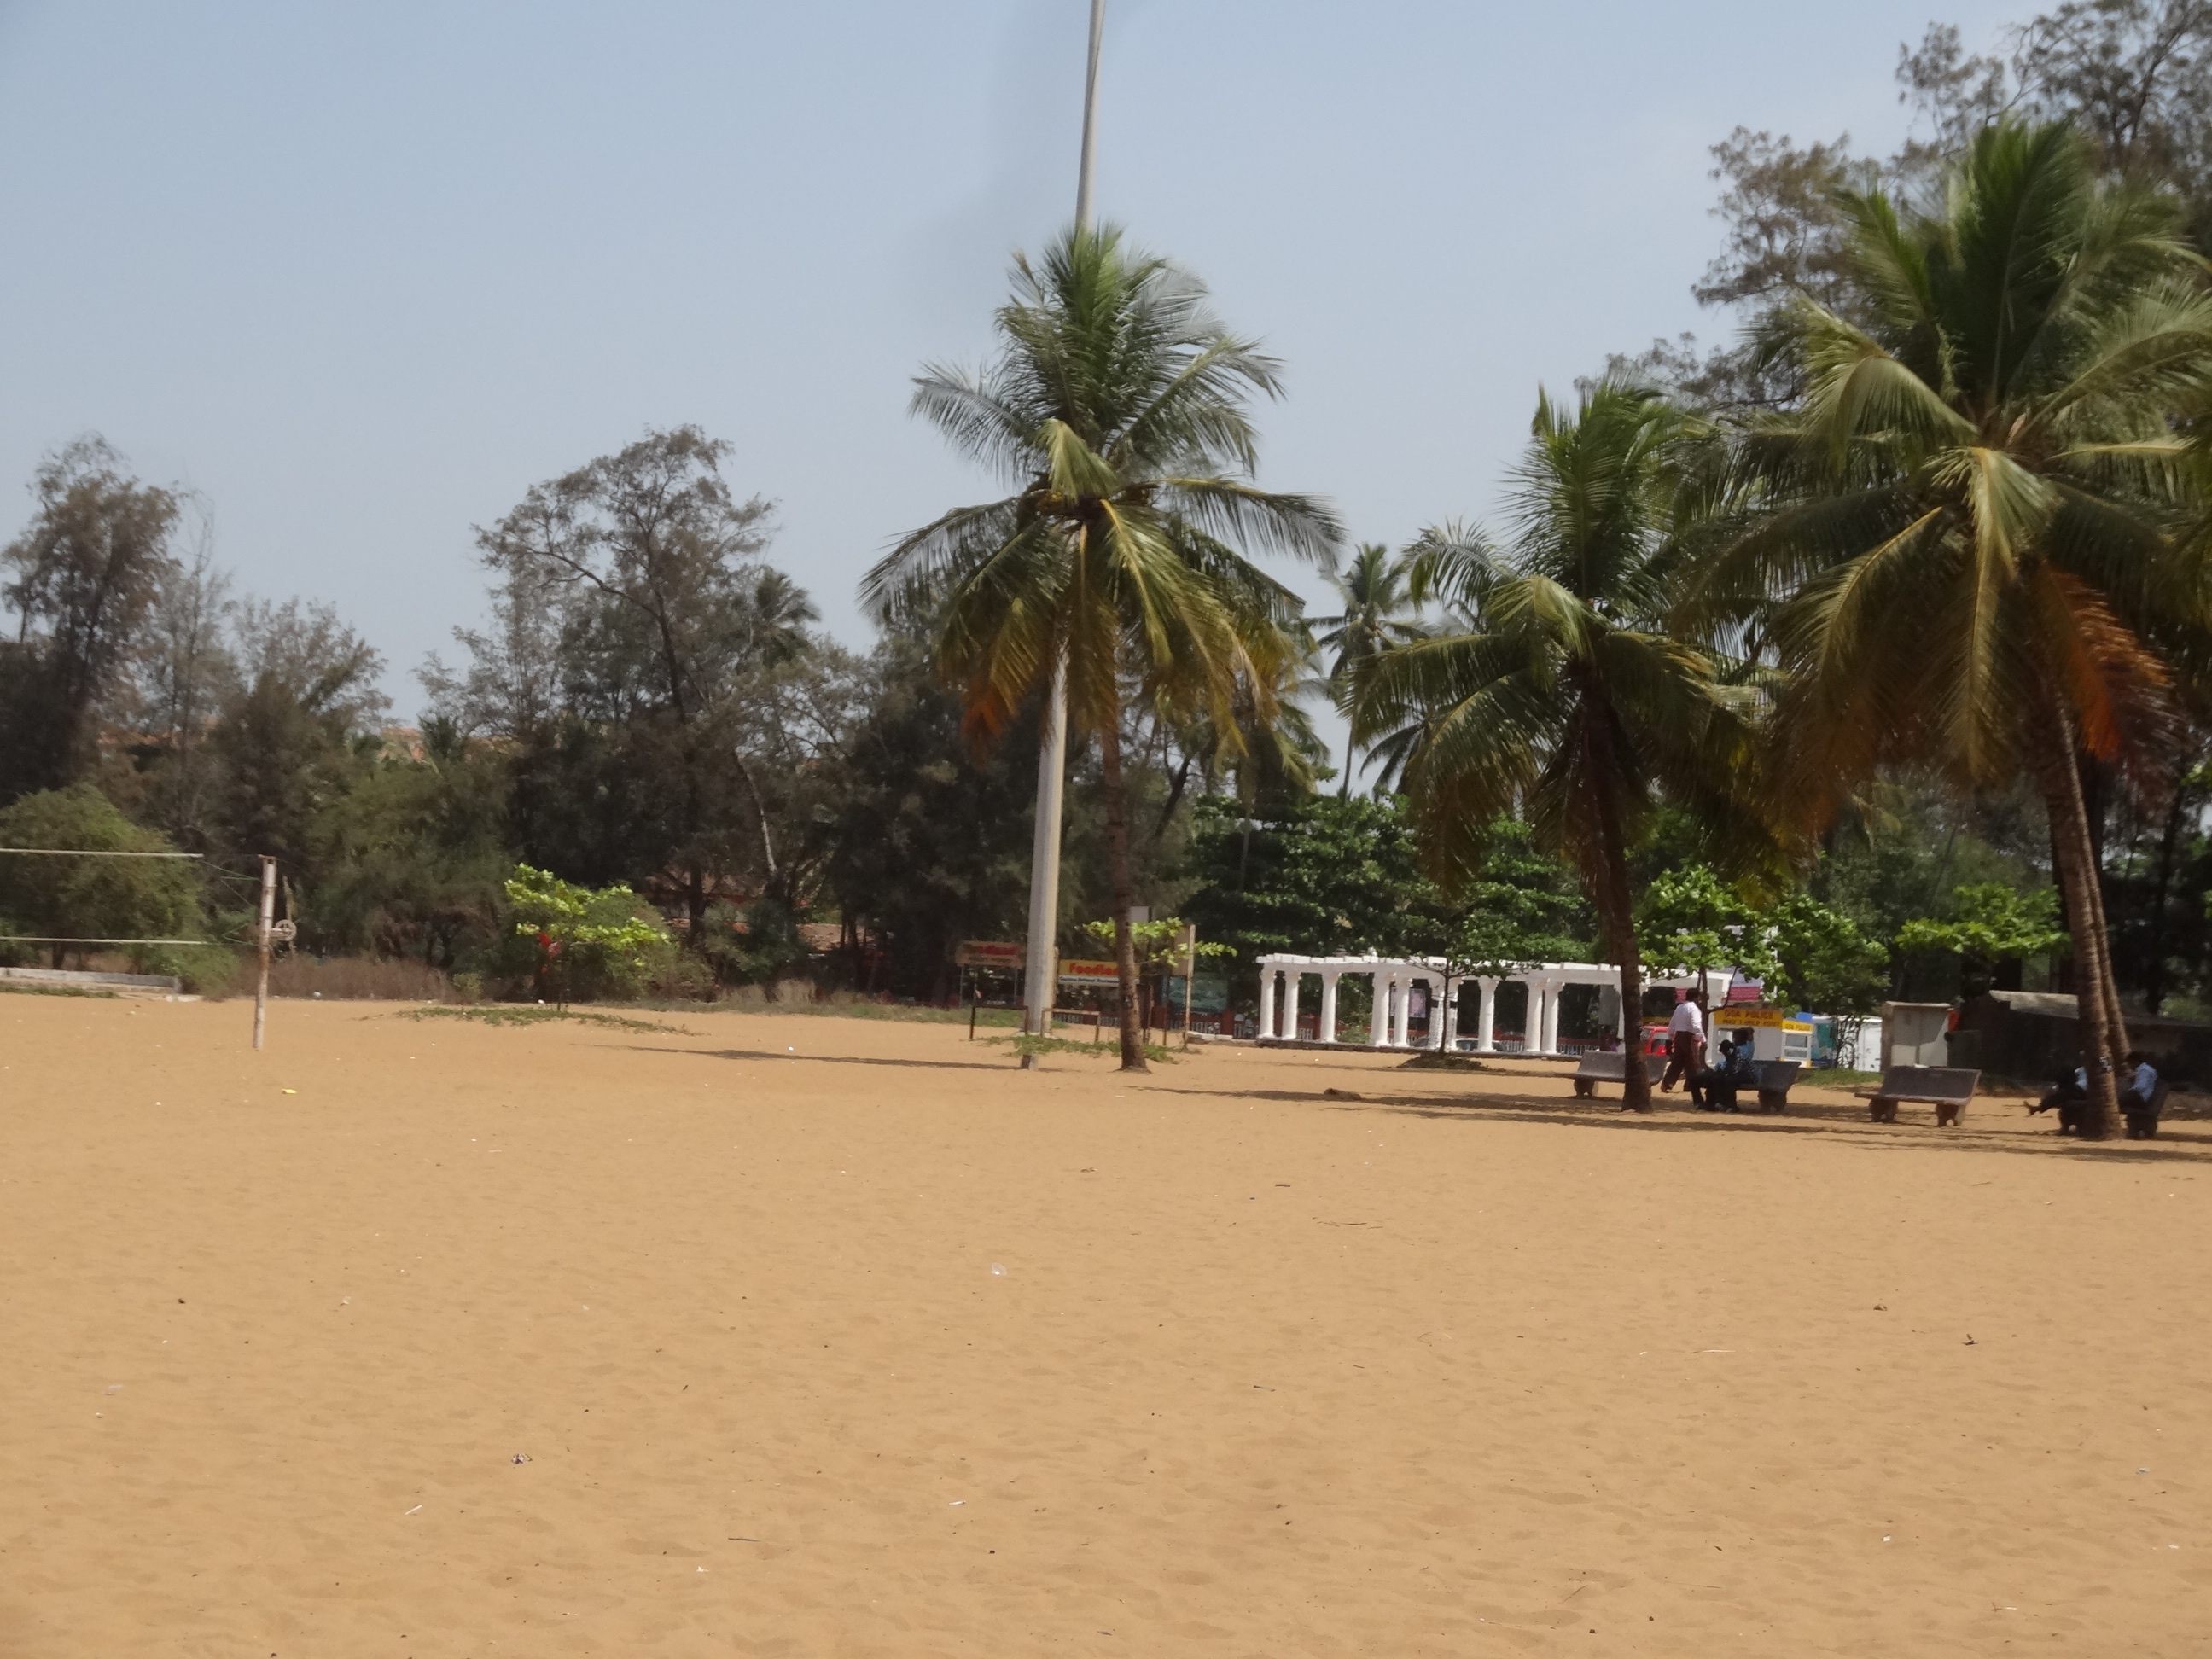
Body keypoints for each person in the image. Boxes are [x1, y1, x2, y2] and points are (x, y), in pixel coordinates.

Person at [1661, 988, 1706, 1095]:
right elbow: (1696, 1025)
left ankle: (1667, 1084)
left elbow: (1672, 1024)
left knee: (1677, 1062)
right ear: (1696, 997)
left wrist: (1671, 1036)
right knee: (1693, 1062)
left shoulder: (1679, 1008)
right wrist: (1703, 1039)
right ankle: (1690, 1086)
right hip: (1690, 1038)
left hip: (1679, 1037)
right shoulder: (1694, 1009)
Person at [2122, 1051, 2162, 1139]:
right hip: (2144, 1098)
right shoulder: (2147, 1069)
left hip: (2141, 1098)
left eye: (2129, 1064)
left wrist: (2130, 1090)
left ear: (2134, 1062)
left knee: (2117, 1099)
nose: (2129, 1066)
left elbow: (2141, 1086)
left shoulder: (2144, 1070)